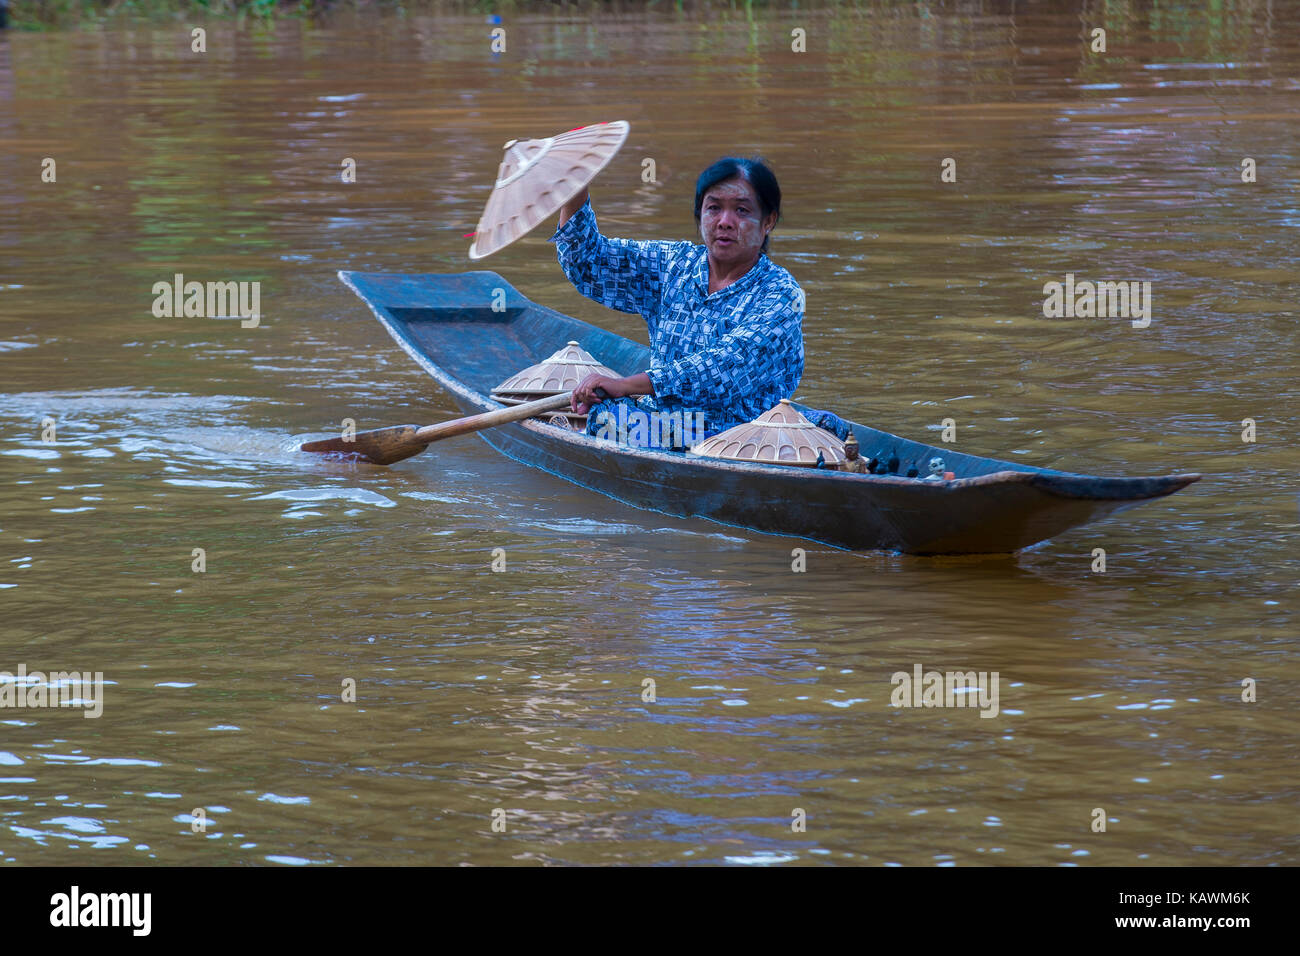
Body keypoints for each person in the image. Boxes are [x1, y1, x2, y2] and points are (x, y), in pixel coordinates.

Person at [548, 156, 805, 449]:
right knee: (608, 417)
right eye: (713, 208)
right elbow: (589, 263)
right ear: (700, 216)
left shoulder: (781, 294)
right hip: (665, 422)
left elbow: (721, 367)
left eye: (742, 211)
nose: (725, 222)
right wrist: (575, 186)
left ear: (768, 221)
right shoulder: (674, 264)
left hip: (749, 437)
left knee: (610, 420)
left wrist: (627, 385)